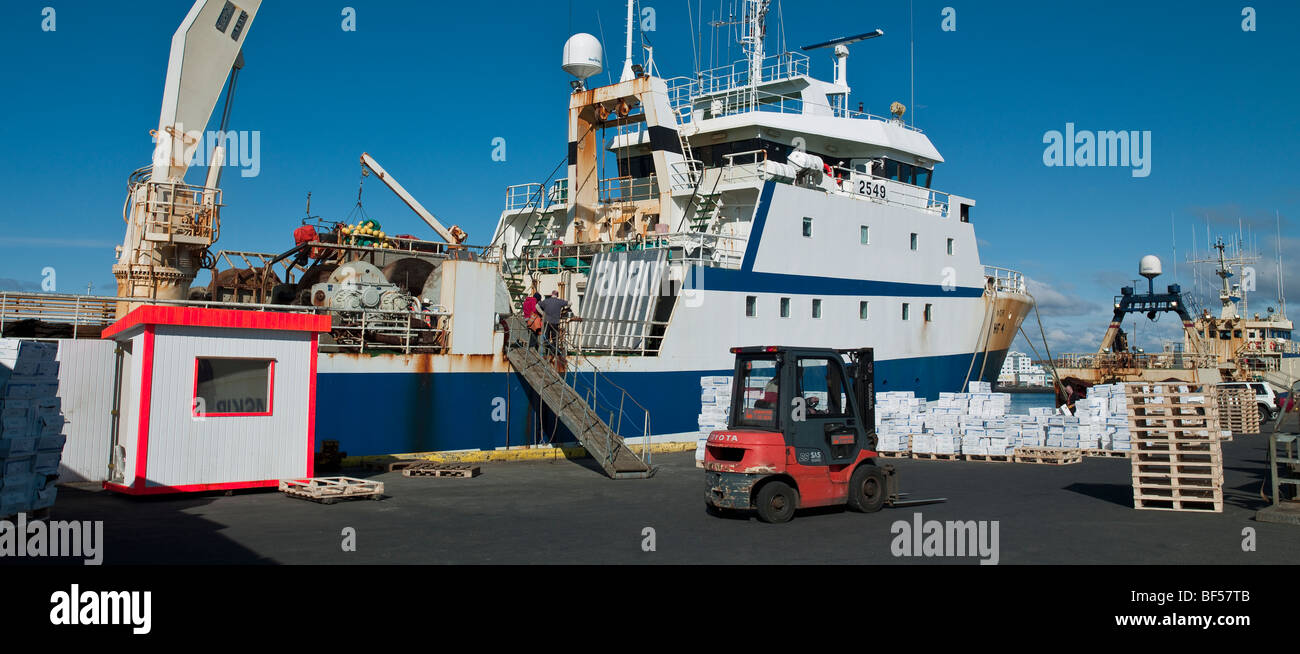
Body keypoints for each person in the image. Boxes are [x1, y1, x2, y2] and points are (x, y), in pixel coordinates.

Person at [536, 290, 572, 356]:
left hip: (546, 322)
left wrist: (542, 313)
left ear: (551, 294)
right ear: (557, 295)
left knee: (546, 337)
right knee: (554, 338)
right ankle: (554, 353)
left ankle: (546, 352)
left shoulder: (546, 301)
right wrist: (564, 309)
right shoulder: (559, 301)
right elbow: (570, 303)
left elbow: (537, 306)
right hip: (555, 322)